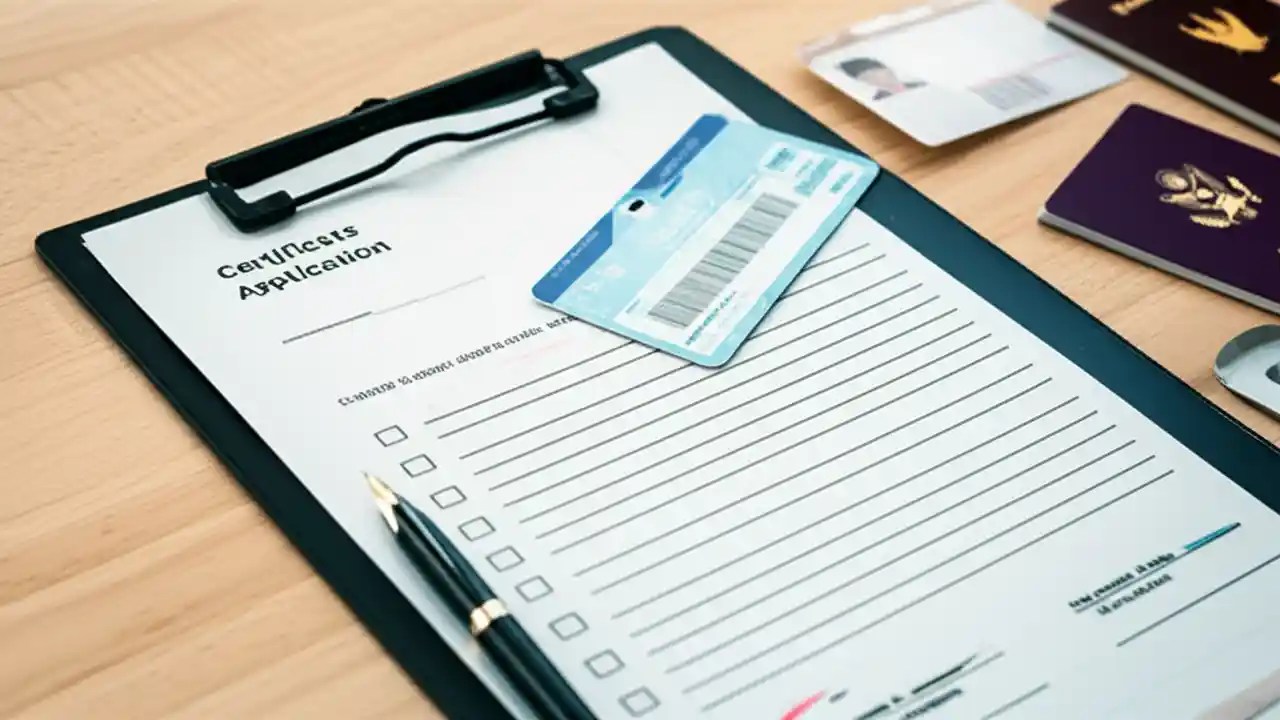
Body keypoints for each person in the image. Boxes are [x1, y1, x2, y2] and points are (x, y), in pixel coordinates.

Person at [838, 57, 925, 101]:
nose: (874, 79)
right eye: (867, 78)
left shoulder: (921, 85)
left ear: (888, 69)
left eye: (875, 73)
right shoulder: (879, 101)